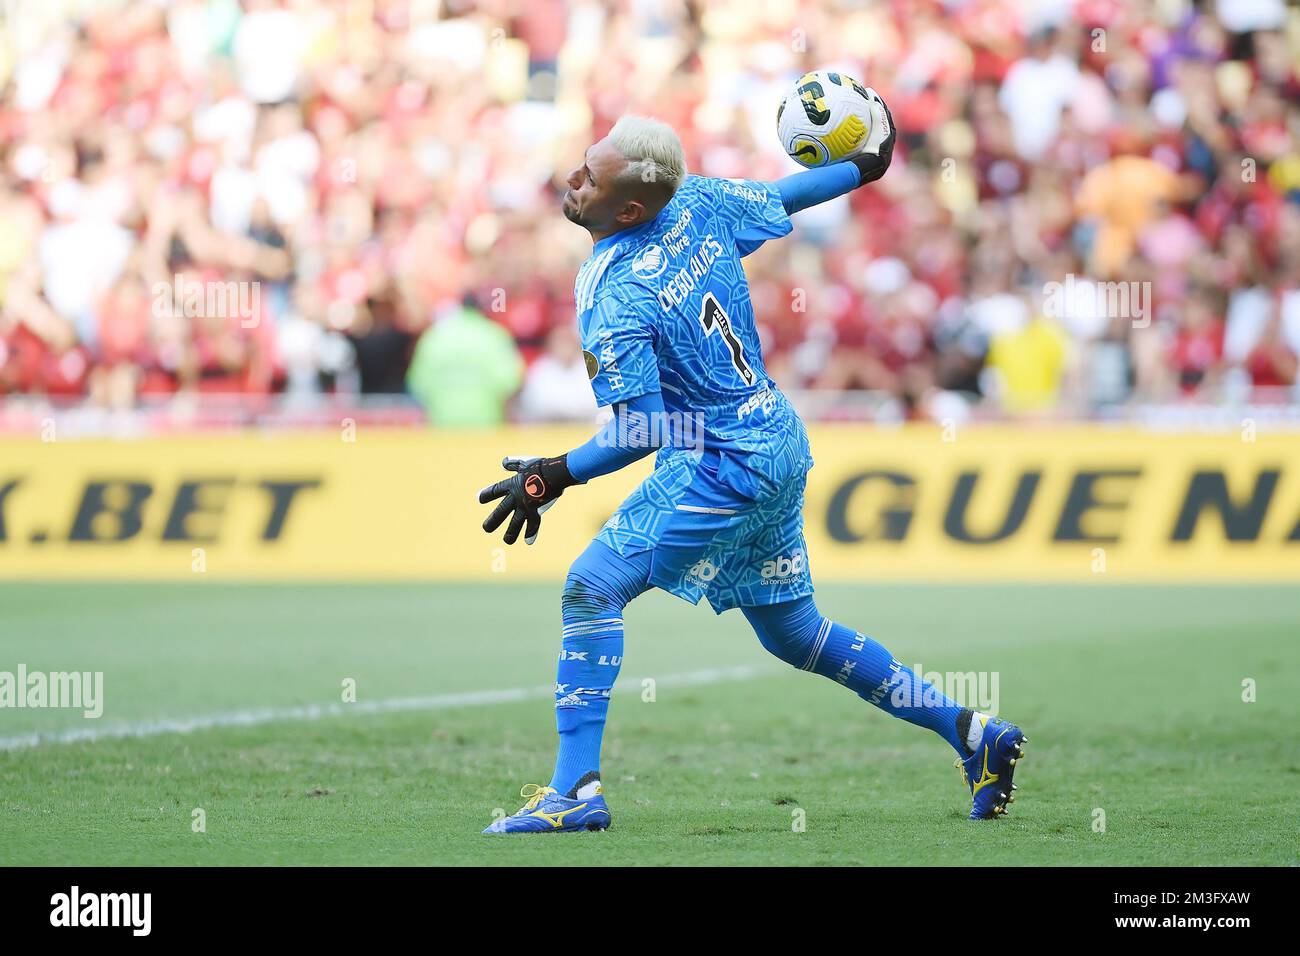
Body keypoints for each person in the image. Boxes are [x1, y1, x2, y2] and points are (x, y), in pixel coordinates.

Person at [477, 105, 1027, 833]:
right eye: (584, 161)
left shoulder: (616, 294)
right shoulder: (697, 199)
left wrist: (552, 474)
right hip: (775, 437)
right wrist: (864, 165)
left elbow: (646, 429)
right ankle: (971, 733)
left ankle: (574, 792)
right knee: (794, 633)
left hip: (718, 461)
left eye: (591, 177)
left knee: (591, 587)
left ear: (630, 207)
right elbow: (786, 193)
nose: (573, 178)